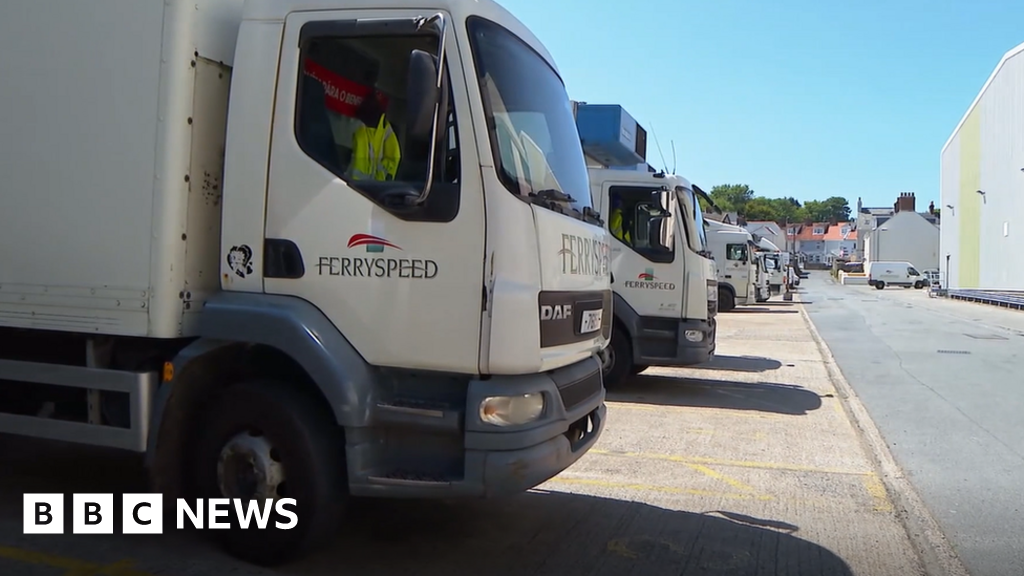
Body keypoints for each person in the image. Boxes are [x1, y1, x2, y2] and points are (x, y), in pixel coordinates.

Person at [348, 91, 401, 181]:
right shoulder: (353, 124)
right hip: (346, 183)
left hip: (372, 189)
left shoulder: (385, 129)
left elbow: (394, 157)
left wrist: (383, 177)